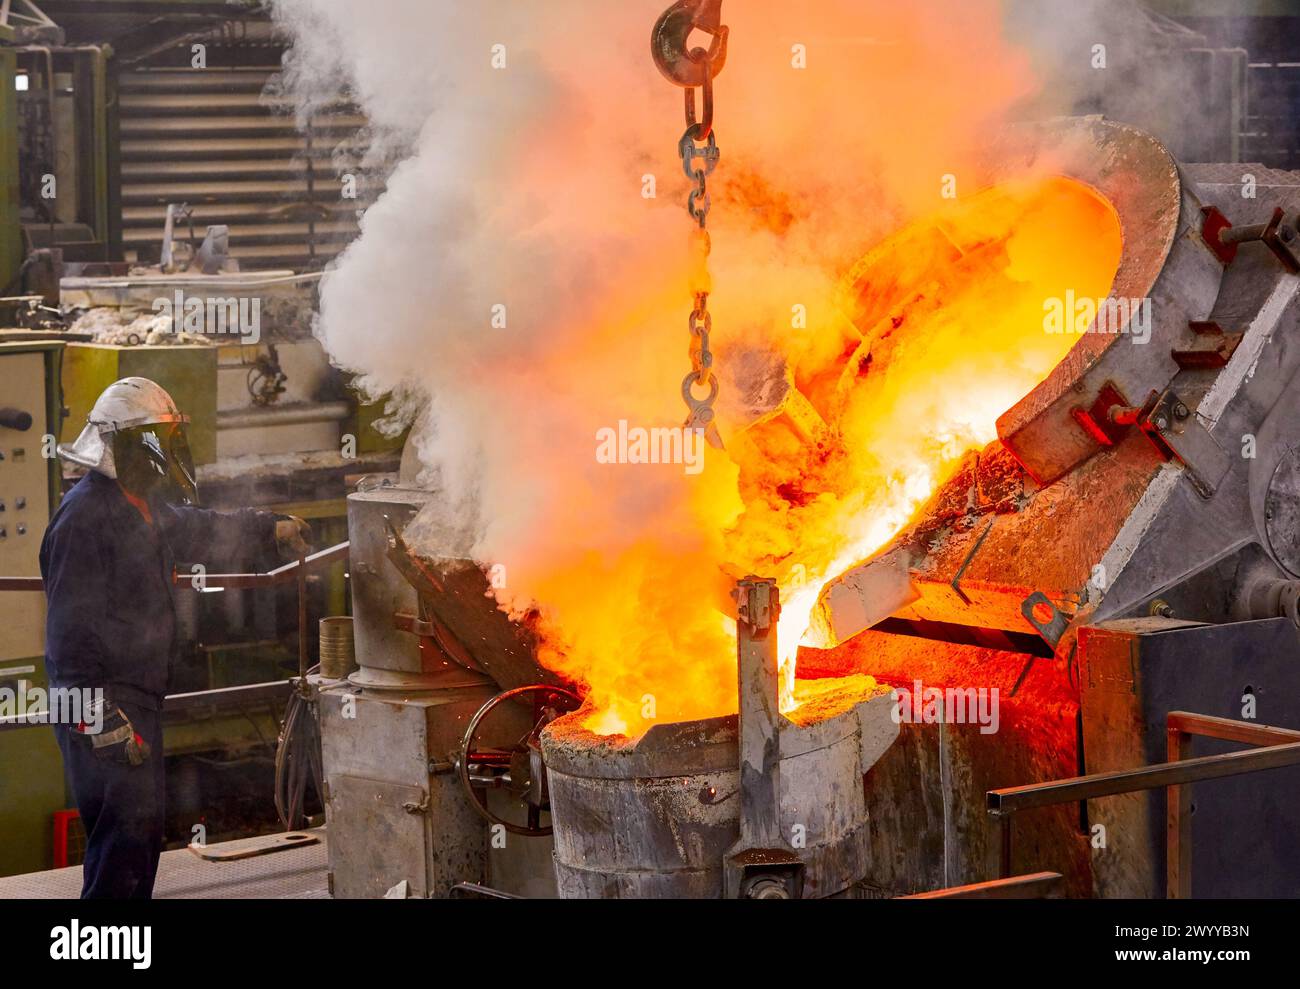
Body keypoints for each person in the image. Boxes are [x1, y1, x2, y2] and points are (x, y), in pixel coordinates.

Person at [40, 377, 311, 898]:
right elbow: (69, 633)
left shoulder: (140, 505)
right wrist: (101, 719)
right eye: (154, 441)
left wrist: (265, 528)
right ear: (122, 444)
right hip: (102, 704)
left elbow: (198, 528)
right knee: (122, 840)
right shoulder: (85, 517)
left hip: (133, 697)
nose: (163, 452)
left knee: (138, 837)